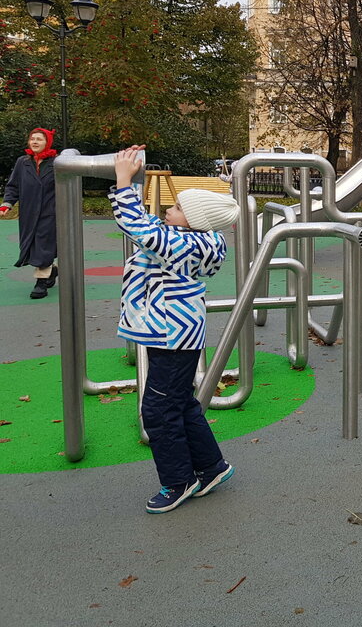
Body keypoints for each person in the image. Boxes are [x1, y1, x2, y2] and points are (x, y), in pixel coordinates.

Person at [110, 145, 240, 514]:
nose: (168, 209)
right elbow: (149, 225)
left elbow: (138, 226)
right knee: (179, 401)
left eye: (178, 208)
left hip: (172, 333)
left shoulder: (184, 245)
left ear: (194, 221)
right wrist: (128, 184)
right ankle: (212, 467)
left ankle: (178, 481)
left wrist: (123, 181)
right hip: (174, 331)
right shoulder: (191, 236)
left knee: (156, 409)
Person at [0, 127, 60, 299]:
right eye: (32, 138)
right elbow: (13, 186)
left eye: (39, 139)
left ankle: (40, 283)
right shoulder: (22, 162)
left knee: (44, 245)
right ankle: (52, 270)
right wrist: (7, 204)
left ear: (47, 142)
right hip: (28, 213)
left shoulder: (57, 163)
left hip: (50, 212)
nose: (34, 142)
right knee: (33, 245)